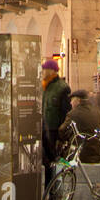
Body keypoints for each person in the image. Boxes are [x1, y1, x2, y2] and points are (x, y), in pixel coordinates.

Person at [41, 59, 72, 187]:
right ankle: (48, 189)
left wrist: (61, 134)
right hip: (44, 130)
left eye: (44, 69)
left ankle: (53, 189)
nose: (42, 72)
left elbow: (66, 112)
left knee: (53, 162)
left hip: (54, 132)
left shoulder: (62, 88)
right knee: (45, 162)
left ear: (51, 71)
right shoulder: (44, 86)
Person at [59, 89, 100, 162]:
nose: (70, 103)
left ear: (78, 101)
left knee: (61, 157)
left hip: (80, 154)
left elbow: (62, 131)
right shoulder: (98, 112)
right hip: (97, 153)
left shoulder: (73, 114)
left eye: (72, 100)